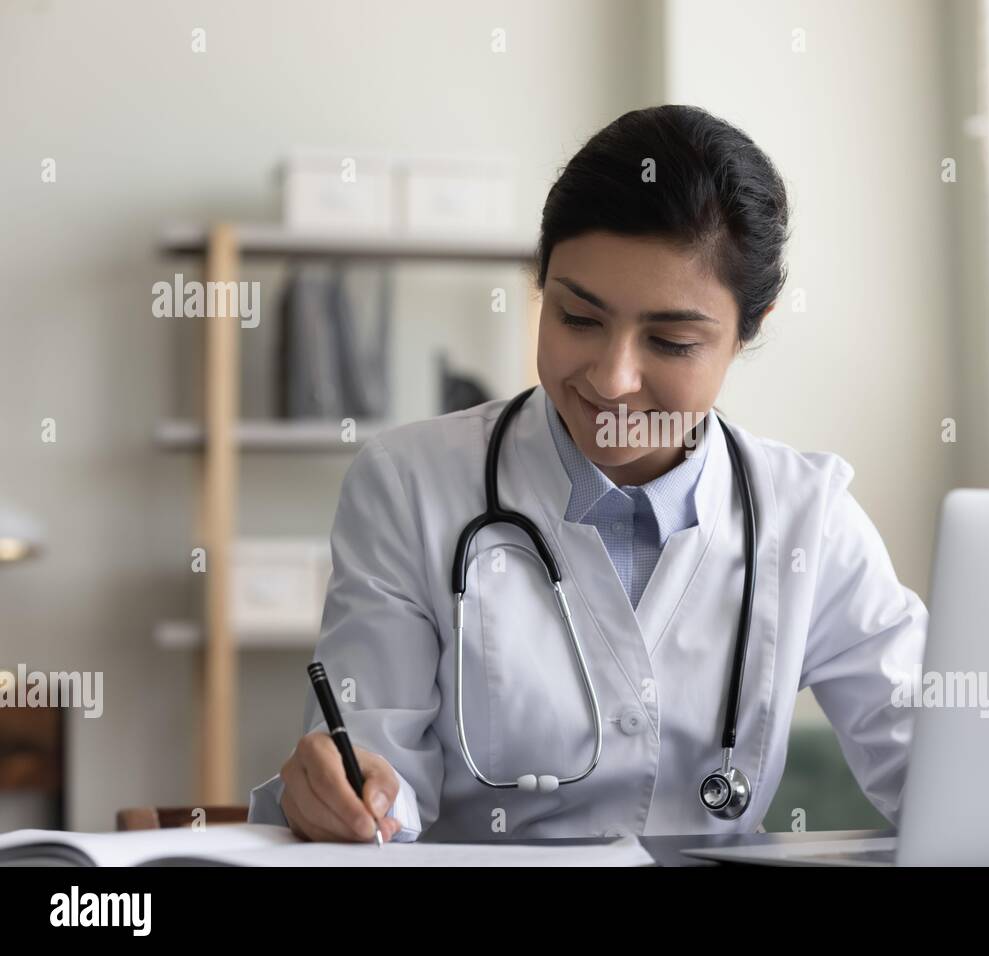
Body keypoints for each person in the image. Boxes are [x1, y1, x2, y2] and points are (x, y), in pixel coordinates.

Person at [248, 104, 927, 842]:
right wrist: (349, 796)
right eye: (577, 319)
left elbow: (938, 764)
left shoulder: (809, 519)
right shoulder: (409, 486)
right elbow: (377, 777)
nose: (613, 378)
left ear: (750, 326)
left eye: (670, 340)